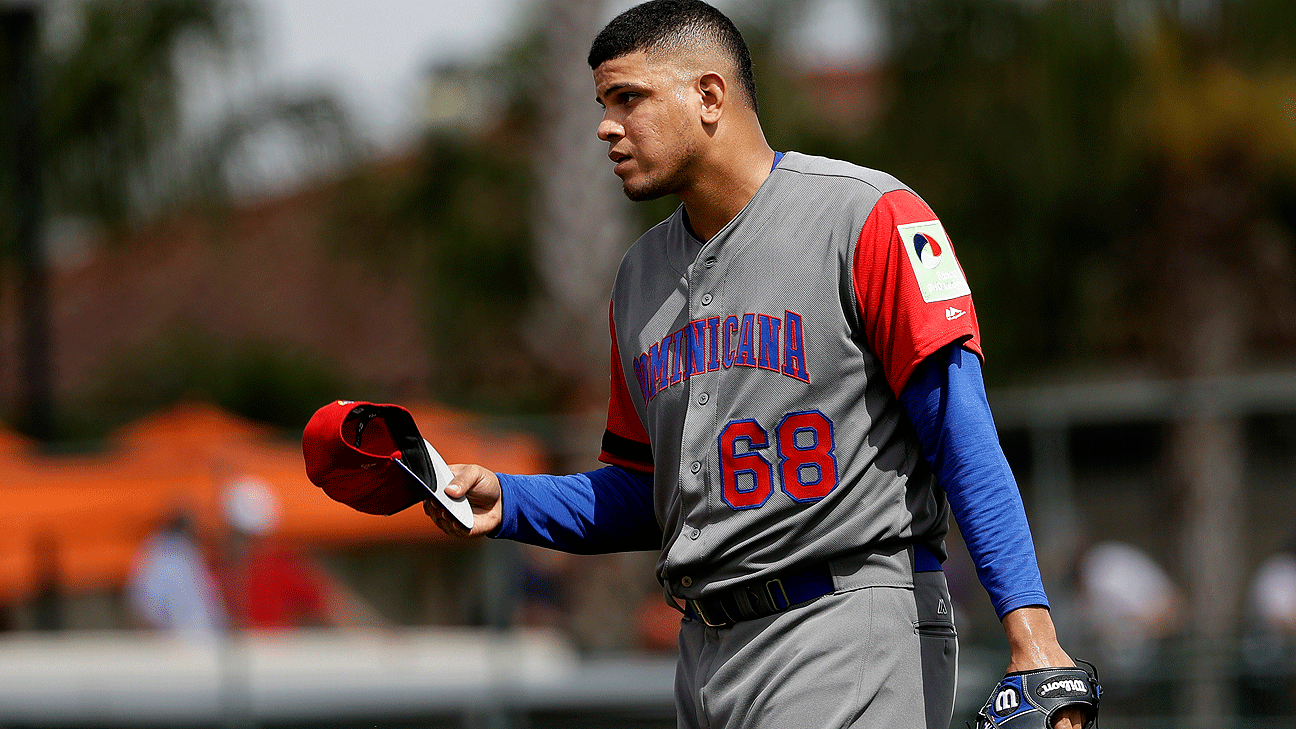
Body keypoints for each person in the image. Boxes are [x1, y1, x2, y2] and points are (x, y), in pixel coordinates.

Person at [423, 1, 1086, 726]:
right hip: (706, 649)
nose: (607, 126)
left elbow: (961, 432)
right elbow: (649, 490)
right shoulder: (640, 276)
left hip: (846, 620)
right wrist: (509, 501)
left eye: (628, 98)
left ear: (709, 96)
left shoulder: (869, 215)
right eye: (603, 104)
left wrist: (1033, 636)